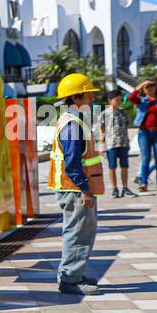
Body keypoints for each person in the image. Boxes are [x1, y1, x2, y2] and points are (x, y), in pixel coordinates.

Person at [49, 73, 105, 296]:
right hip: (75, 189)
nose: (92, 97)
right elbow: (72, 164)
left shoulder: (72, 120)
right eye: (88, 93)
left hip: (75, 189)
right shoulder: (72, 125)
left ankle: (75, 273)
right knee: (77, 233)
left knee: (82, 232)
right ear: (76, 96)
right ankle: (70, 279)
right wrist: (85, 190)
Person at [129, 78, 157, 192]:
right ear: (143, 89)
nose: (150, 87)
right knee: (145, 158)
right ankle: (143, 183)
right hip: (144, 132)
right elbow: (131, 97)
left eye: (152, 85)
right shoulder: (142, 101)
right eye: (147, 86)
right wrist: (141, 85)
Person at [98, 89, 134, 197]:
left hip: (123, 144)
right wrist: (101, 145)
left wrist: (128, 142)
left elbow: (126, 126)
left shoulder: (123, 112)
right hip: (111, 145)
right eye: (116, 99)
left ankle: (125, 187)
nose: (119, 101)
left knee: (124, 166)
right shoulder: (104, 114)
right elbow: (101, 131)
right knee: (112, 167)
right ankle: (114, 189)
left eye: (120, 99)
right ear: (109, 100)